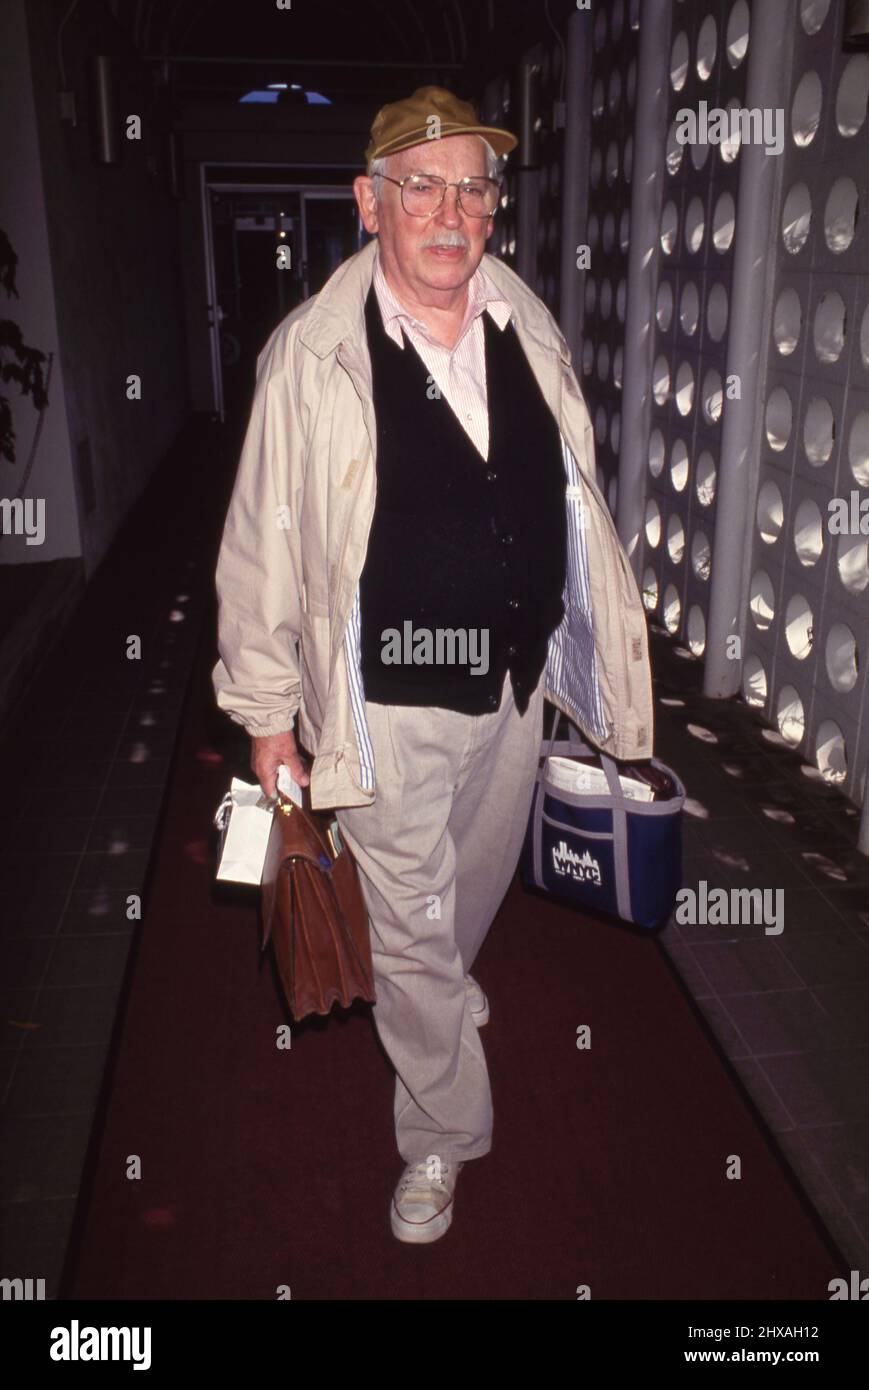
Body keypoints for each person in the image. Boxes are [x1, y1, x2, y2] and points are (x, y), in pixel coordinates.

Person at [212, 86, 653, 1244]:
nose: (449, 211)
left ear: (493, 210)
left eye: (471, 187)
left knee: (470, 885)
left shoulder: (523, 319)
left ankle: (440, 995)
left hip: (509, 690)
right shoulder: (309, 356)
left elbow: (566, 494)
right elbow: (260, 546)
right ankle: (440, 1134)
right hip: (388, 700)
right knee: (408, 929)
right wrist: (265, 718)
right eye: (421, 186)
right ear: (369, 202)